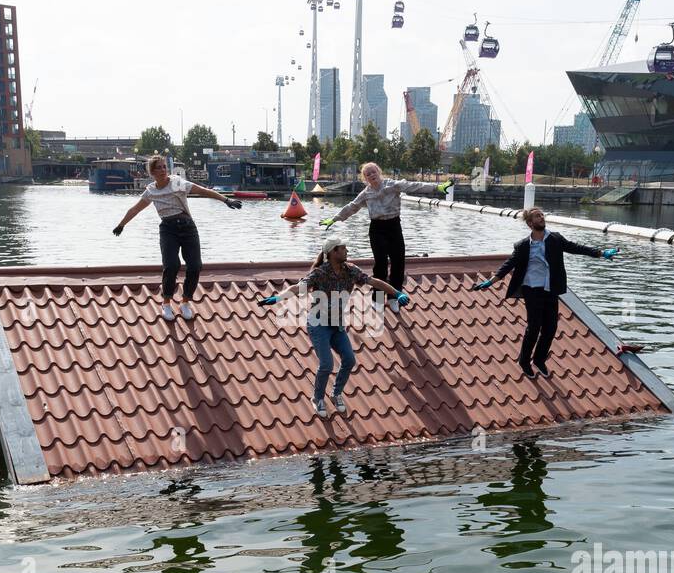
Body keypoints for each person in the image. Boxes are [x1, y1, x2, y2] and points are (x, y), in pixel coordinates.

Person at [259, 234, 407, 417]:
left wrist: (396, 293)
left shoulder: (350, 270)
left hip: (337, 326)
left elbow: (373, 281)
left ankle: (336, 393)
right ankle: (317, 398)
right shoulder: (319, 273)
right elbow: (298, 287)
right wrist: (278, 298)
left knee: (350, 360)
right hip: (318, 324)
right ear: (333, 252)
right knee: (327, 364)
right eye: (343, 248)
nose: (347, 251)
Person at [475, 207, 619, 378]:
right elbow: (509, 264)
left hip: (549, 289)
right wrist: (490, 282)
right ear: (530, 223)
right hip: (531, 289)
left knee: (551, 328)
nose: (542, 217)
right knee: (534, 327)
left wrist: (601, 253)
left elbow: (575, 247)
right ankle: (524, 360)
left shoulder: (555, 239)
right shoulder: (522, 246)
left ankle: (539, 359)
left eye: (542, 215)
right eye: (537, 216)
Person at [112, 154, 244, 321]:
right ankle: (166, 304)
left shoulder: (177, 182)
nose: (162, 170)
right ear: (152, 172)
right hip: (168, 229)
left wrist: (225, 200)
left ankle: (185, 302)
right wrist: (121, 225)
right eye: (158, 168)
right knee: (171, 265)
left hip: (188, 227)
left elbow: (202, 191)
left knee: (195, 266)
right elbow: (134, 209)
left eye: (164, 167)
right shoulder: (151, 191)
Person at [320, 162, 452, 312]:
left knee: (398, 262)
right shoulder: (366, 193)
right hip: (377, 229)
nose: (371, 175)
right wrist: (334, 219)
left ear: (379, 172)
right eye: (367, 174)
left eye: (373, 171)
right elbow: (352, 206)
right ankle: (377, 298)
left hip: (394, 226)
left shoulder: (392, 185)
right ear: (365, 178)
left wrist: (437, 187)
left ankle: (393, 297)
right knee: (381, 264)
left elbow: (413, 186)